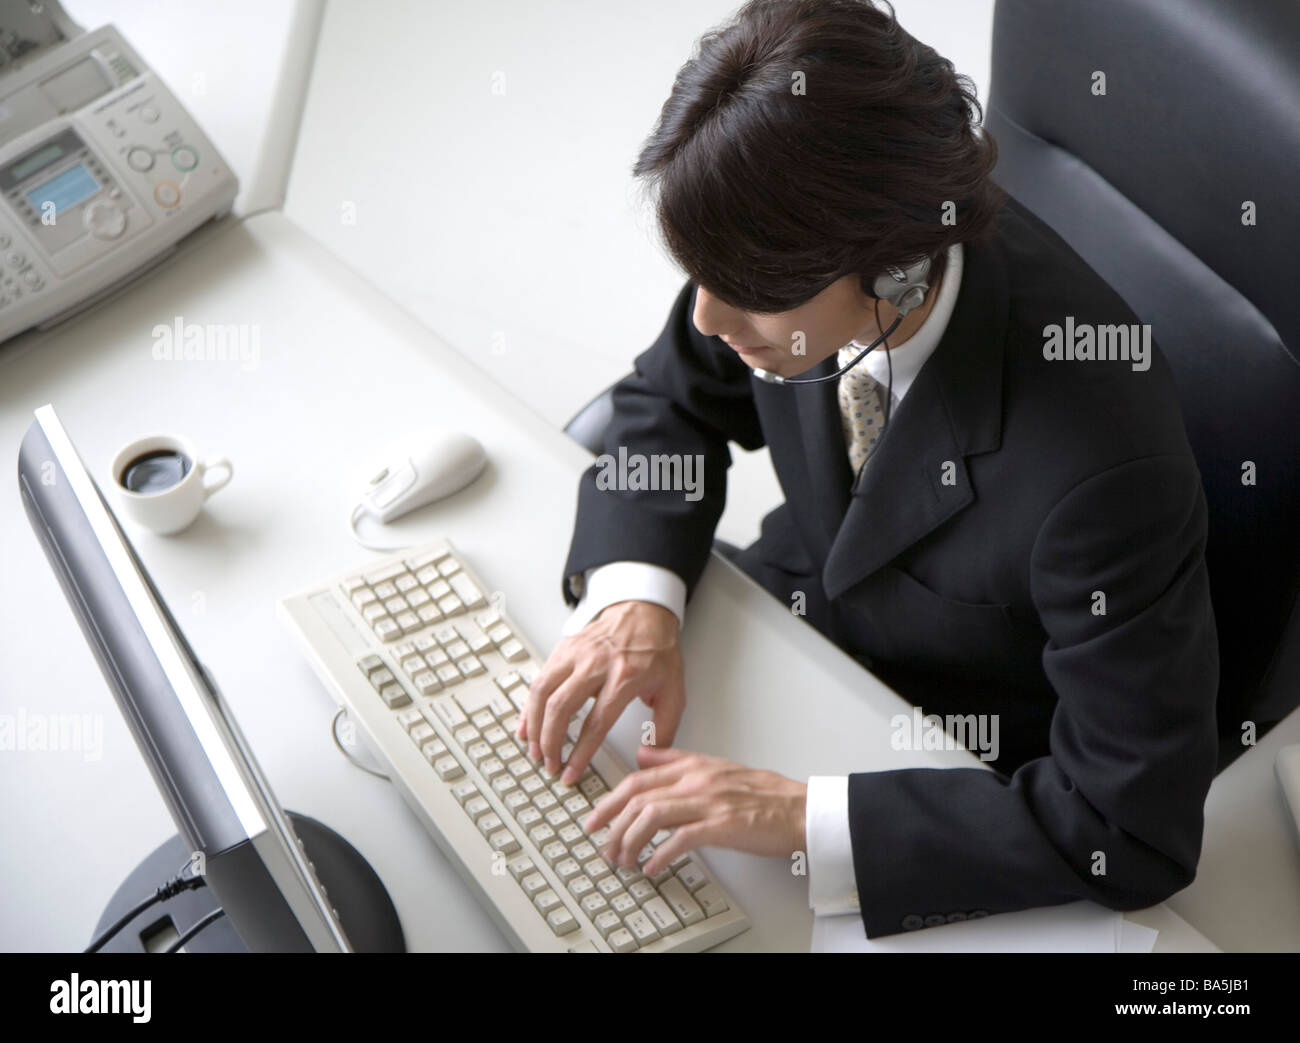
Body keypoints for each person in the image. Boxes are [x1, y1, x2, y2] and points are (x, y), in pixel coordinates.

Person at [518, 0, 1219, 937]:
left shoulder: (1105, 468)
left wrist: (797, 817)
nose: (709, 324)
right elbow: (666, 401)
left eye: (751, 301)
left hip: (950, 764)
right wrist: (637, 599)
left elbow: (1129, 827)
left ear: (892, 269)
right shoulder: (775, 258)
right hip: (792, 622)